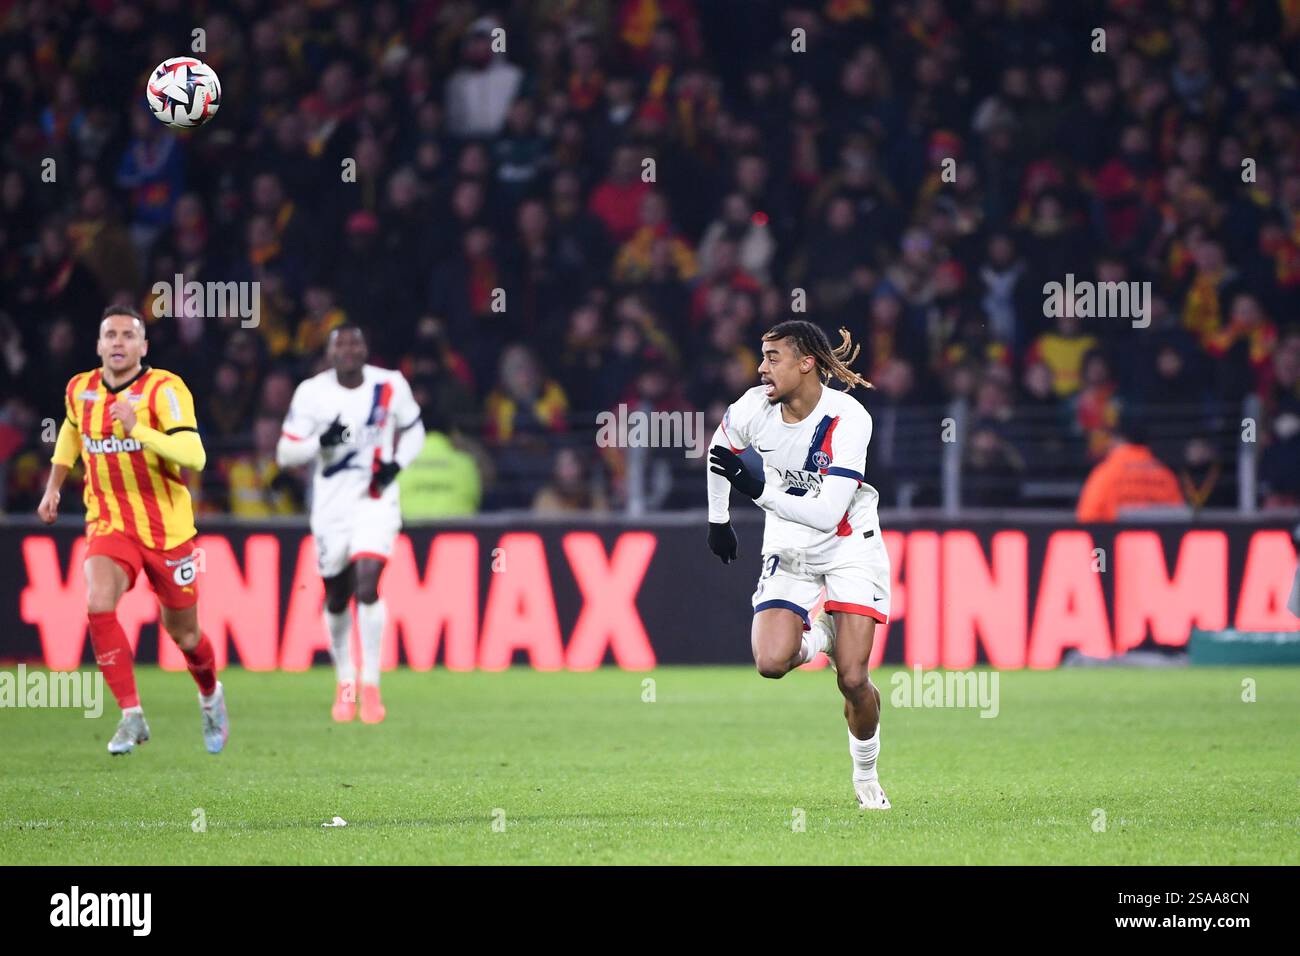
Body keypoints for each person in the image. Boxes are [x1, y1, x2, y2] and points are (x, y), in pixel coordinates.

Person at [706, 320, 892, 811]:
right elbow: (719, 449)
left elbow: (829, 512)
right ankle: (820, 637)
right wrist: (719, 519)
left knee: (852, 679)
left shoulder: (849, 419)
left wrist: (758, 491)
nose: (761, 368)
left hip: (848, 543)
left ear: (806, 363)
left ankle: (866, 774)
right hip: (789, 542)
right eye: (761, 356)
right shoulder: (754, 406)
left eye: (773, 357)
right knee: (770, 662)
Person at [36, 304, 228, 755]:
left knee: (185, 636)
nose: (118, 342)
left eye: (128, 335)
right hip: (109, 521)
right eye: (110, 335)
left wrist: (139, 429)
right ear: (99, 345)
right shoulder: (79, 389)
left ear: (144, 346)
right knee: (98, 602)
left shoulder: (165, 388)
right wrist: (53, 487)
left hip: (168, 531)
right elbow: (70, 431)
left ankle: (209, 695)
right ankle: (131, 716)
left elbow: (194, 455)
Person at [276, 325, 425, 724]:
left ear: (366, 349)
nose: (348, 349)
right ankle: (345, 680)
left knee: (368, 583)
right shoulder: (312, 392)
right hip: (331, 510)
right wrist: (318, 442)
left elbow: (415, 431)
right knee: (337, 597)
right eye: (340, 344)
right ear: (328, 352)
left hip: (375, 502)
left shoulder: (390, 385)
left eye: (355, 342)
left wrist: (395, 466)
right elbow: (285, 452)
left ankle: (371, 684)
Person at [1075, 417, 1184, 522]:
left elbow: (1087, 518)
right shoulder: (1166, 476)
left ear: (1118, 439)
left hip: (1111, 539)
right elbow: (1178, 519)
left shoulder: (1105, 474)